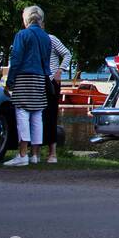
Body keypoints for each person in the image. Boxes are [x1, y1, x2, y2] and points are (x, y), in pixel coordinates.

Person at [4, 5, 52, 167]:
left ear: (26, 19)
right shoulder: (46, 37)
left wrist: (10, 81)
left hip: (24, 78)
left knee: (22, 114)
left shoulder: (22, 35)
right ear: (40, 20)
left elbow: (16, 59)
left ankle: (22, 154)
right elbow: (46, 61)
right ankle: (35, 155)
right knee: (37, 116)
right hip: (40, 78)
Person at [42, 31, 72, 164]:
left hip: (51, 80)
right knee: (36, 116)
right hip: (37, 80)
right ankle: (34, 151)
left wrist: (59, 71)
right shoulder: (31, 38)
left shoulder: (51, 39)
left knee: (51, 115)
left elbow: (67, 53)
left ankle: (52, 153)